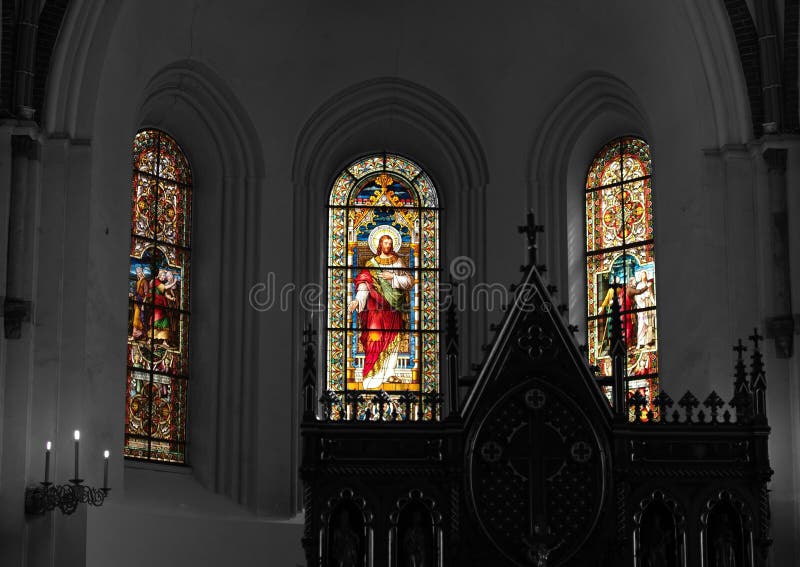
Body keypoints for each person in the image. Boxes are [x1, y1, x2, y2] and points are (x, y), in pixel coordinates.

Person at [348, 233, 413, 389]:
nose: (388, 245)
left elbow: (410, 281)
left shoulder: (398, 262)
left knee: (394, 338)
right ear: (379, 245)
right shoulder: (371, 264)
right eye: (385, 242)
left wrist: (393, 278)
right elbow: (364, 284)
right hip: (375, 310)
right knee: (374, 338)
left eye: (390, 242)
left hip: (393, 309)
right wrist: (357, 300)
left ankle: (389, 372)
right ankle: (371, 375)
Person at [130, 265, 149, 340]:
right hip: (136, 302)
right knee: (137, 319)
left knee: (138, 319)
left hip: (141, 303)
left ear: (142, 272)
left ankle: (135, 335)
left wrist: (143, 304)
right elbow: (136, 292)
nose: (139, 273)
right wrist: (131, 294)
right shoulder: (138, 281)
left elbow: (146, 294)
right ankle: (137, 335)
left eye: (140, 272)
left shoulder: (144, 281)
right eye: (137, 272)